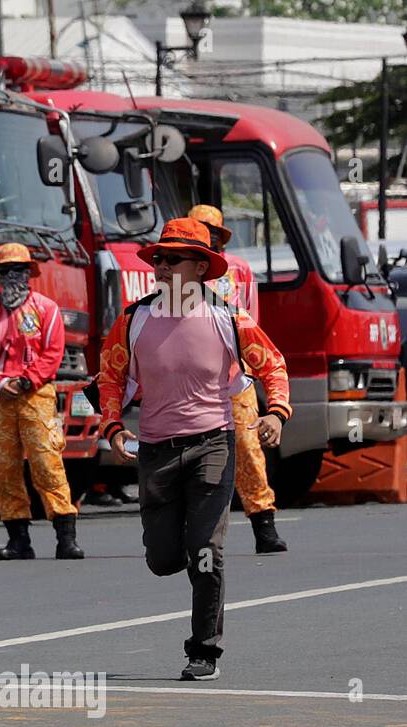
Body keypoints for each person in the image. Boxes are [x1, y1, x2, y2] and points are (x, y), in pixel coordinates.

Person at [98, 218, 291, 681]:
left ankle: (204, 649)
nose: (161, 267)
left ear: (201, 267)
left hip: (212, 445)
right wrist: (112, 427)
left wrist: (275, 412)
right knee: (164, 559)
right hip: (156, 450)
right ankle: (180, 550)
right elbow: (109, 377)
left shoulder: (229, 318)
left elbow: (274, 365)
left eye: (172, 259)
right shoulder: (133, 318)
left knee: (207, 550)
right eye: (158, 259)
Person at [0, 243, 84, 561]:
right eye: (5, 271)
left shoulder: (46, 309)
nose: (12, 276)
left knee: (47, 463)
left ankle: (66, 537)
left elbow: (53, 351)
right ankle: (19, 541)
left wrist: (27, 379)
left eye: (18, 270)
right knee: (4, 470)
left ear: (28, 274)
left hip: (36, 395)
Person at [187, 204, 288, 553]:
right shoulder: (181, 274)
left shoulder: (240, 270)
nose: (208, 236)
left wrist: (247, 364)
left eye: (212, 232)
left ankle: (264, 524)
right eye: (200, 230)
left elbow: (250, 318)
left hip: (234, 377)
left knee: (248, 450)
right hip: (193, 383)